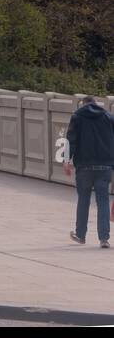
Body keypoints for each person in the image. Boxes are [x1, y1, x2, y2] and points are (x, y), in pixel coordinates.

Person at [63, 95, 114, 247]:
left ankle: (80, 235)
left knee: (83, 200)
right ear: (95, 103)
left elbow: (70, 140)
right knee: (103, 201)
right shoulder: (108, 117)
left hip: (84, 166)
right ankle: (104, 238)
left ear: (83, 104)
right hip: (104, 166)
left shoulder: (77, 117)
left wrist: (67, 161)